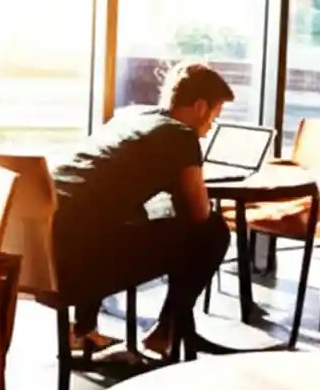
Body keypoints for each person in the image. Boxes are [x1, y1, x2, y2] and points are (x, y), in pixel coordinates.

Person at [51, 61, 233, 356]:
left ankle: (81, 329)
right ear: (201, 107)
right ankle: (164, 333)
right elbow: (199, 214)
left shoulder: (130, 118)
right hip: (76, 268)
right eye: (214, 116)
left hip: (43, 256)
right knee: (212, 234)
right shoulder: (181, 135)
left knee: (106, 215)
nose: (211, 127)